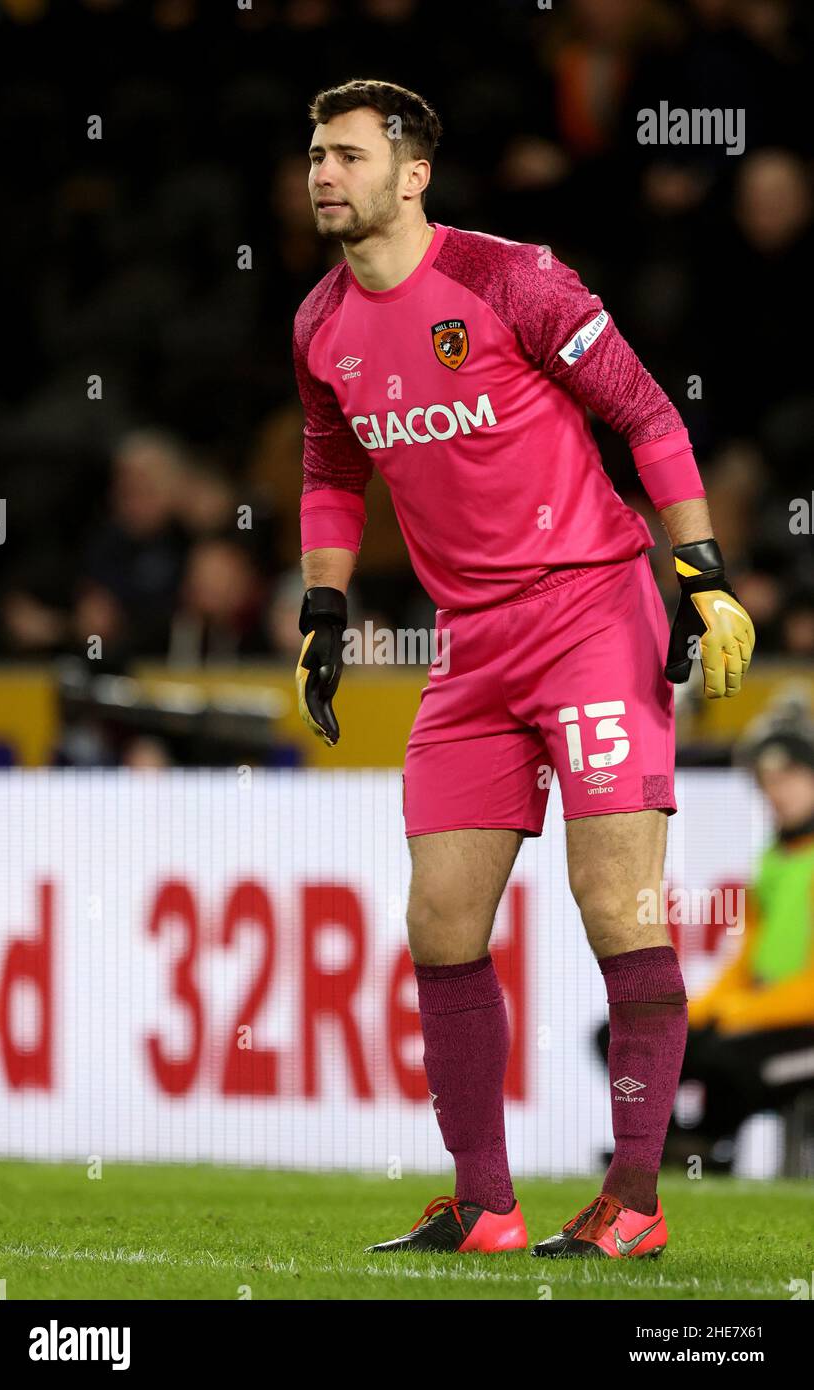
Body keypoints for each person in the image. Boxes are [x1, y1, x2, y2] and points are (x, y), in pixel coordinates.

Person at [292, 79, 755, 1260]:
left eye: (346, 154)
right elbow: (332, 470)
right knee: (439, 922)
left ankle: (634, 1200)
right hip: (468, 643)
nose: (322, 173)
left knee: (614, 904)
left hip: (591, 611)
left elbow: (648, 414)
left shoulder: (511, 279)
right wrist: (325, 607)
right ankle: (483, 1205)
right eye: (314, 154)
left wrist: (699, 570)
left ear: (412, 175)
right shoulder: (318, 325)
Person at [617, 724, 814, 1176]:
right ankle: (682, 1148)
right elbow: (746, 959)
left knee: (729, 1060)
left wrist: (738, 1013)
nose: (775, 794)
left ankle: (700, 1147)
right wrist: (703, 1010)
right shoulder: (775, 858)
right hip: (771, 1013)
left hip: (797, 1023)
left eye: (788, 780)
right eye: (768, 784)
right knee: (649, 1036)